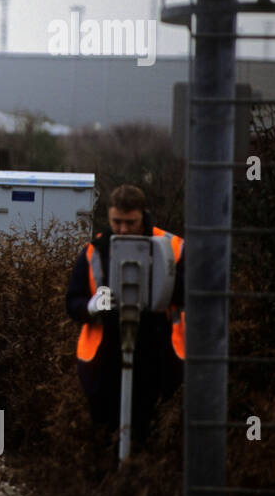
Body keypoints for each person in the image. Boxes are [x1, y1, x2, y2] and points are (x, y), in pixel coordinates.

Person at [65, 184, 185, 445]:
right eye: (116, 221)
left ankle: (140, 477)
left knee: (150, 427)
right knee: (106, 425)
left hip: (158, 352)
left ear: (143, 215)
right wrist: (91, 307)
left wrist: (160, 287)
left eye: (130, 222)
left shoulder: (172, 247)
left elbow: (193, 294)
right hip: (105, 356)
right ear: (108, 215)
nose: (122, 229)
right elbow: (72, 301)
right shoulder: (94, 251)